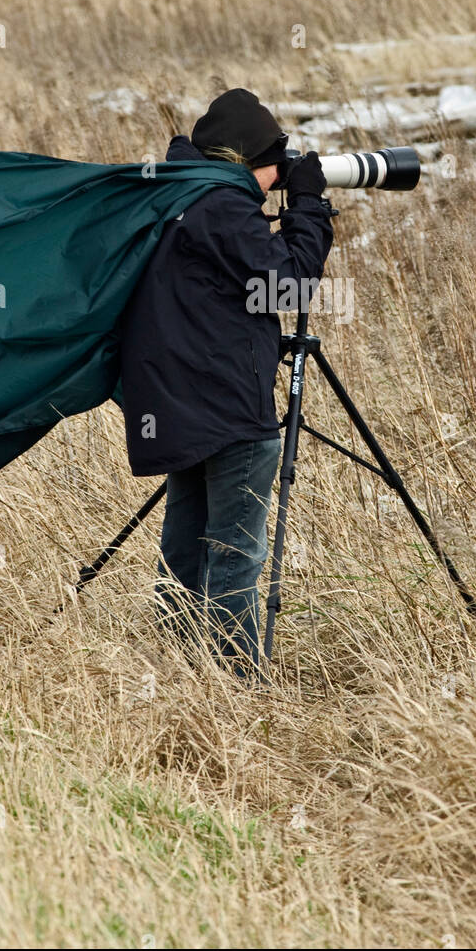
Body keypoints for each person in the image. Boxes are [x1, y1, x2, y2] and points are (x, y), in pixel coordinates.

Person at [117, 89, 334, 678]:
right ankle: (240, 689)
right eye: (274, 167)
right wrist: (309, 208)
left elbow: (218, 292)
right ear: (245, 161)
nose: (274, 181)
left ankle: (180, 674)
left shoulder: (177, 192)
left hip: (180, 402)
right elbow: (289, 286)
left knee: (185, 553)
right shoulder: (222, 205)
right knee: (237, 555)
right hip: (226, 409)